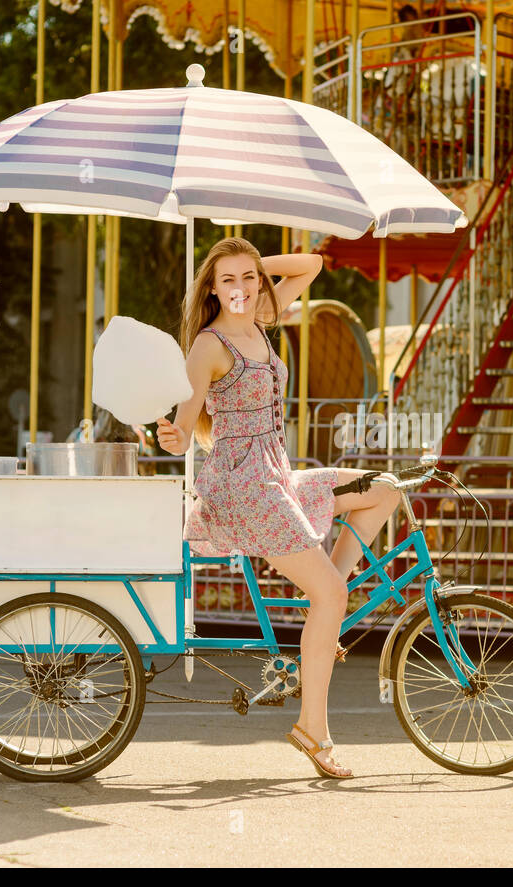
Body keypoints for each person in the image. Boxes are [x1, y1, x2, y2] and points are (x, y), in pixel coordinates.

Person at [156, 237, 398, 779]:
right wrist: (173, 437)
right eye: (226, 281)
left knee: (384, 490)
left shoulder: (262, 316)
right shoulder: (209, 345)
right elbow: (185, 424)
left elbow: (312, 265)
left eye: (248, 278)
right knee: (333, 594)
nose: (240, 288)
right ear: (211, 289)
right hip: (243, 488)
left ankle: (323, 605)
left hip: (276, 477)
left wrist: (249, 270)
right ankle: (313, 729)